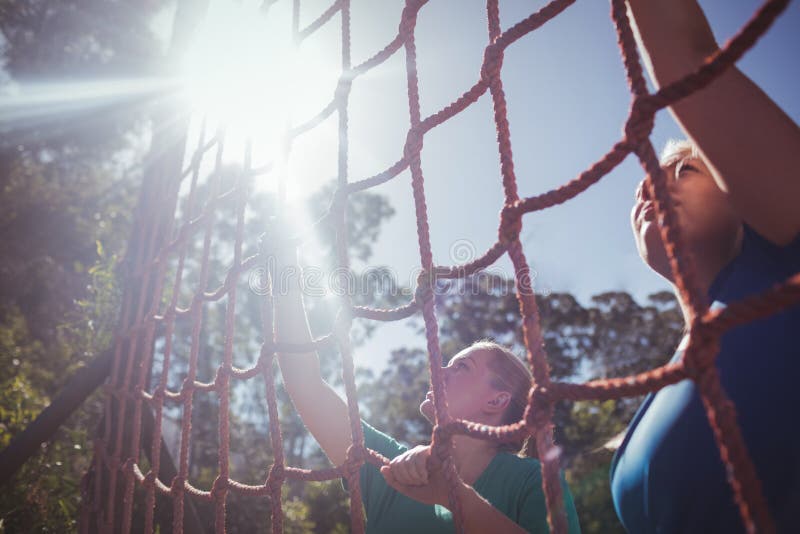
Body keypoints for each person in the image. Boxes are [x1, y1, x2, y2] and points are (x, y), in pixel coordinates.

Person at [611, 1, 800, 532]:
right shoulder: (646, 409)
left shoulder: (782, 268)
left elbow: (685, 54)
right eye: (640, 187)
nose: (651, 184)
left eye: (683, 169)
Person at [270, 238, 581, 533]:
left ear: (497, 401)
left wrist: (455, 496)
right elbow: (304, 382)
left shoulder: (533, 481)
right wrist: (283, 259)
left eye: (461, 367)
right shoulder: (390, 470)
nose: (438, 370)